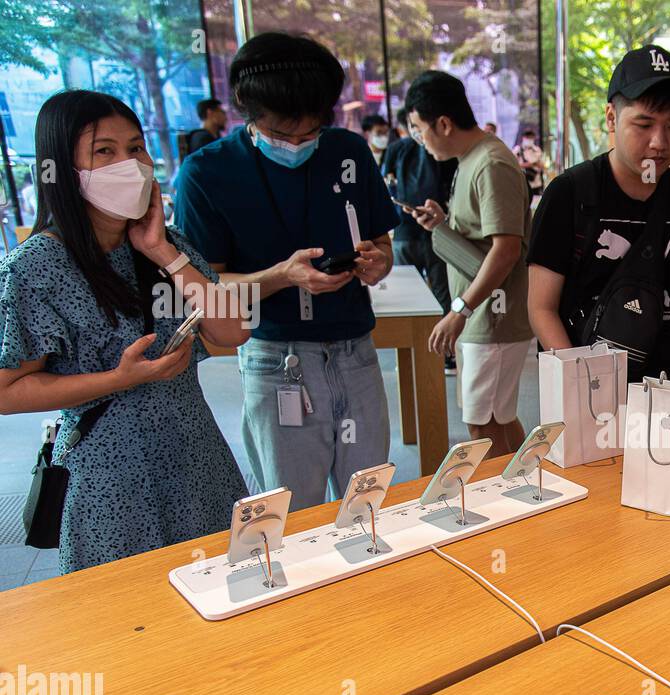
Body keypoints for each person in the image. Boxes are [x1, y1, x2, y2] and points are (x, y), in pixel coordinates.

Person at [0, 91, 249, 573]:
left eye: (135, 148)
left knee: (219, 593)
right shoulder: (36, 267)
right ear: (63, 169)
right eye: (104, 152)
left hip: (197, 459)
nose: (128, 164)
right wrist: (121, 378)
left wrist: (161, 251)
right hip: (109, 478)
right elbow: (7, 391)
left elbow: (232, 330)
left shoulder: (164, 244)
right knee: (131, 618)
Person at [174, 33, 398, 508]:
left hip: (356, 352)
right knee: (289, 513)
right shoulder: (207, 173)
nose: (297, 145)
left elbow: (382, 244)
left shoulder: (347, 151)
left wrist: (378, 262)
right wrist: (282, 276)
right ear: (245, 107)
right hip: (276, 359)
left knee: (370, 505)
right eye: (281, 134)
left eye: (310, 133)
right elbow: (205, 285)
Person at [526, 45, 670, 385]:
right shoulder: (569, 193)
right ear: (611, 118)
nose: (659, 143)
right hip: (579, 377)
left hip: (666, 386)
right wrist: (583, 385)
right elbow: (541, 307)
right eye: (644, 124)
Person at [405, 70, 532, 455]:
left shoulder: (491, 163)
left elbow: (506, 249)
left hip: (492, 315)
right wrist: (442, 224)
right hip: (487, 313)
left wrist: (459, 309)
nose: (419, 140)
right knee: (497, 417)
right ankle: (530, 493)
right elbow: (483, 240)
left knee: (483, 423)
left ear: (443, 123)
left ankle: (507, 505)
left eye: (418, 129)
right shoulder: (471, 159)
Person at [383, 107, 457, 330]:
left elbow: (386, 185)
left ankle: (411, 346)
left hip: (404, 231)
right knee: (442, 291)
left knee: (407, 299)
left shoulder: (395, 149)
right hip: (437, 230)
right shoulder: (441, 151)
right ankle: (444, 351)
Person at [513, 128, 545, 201]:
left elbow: (542, 165)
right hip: (522, 182)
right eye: (527, 137)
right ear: (523, 138)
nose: (529, 139)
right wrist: (532, 164)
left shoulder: (537, 150)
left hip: (536, 183)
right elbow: (514, 164)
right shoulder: (517, 150)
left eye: (531, 138)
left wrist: (529, 164)